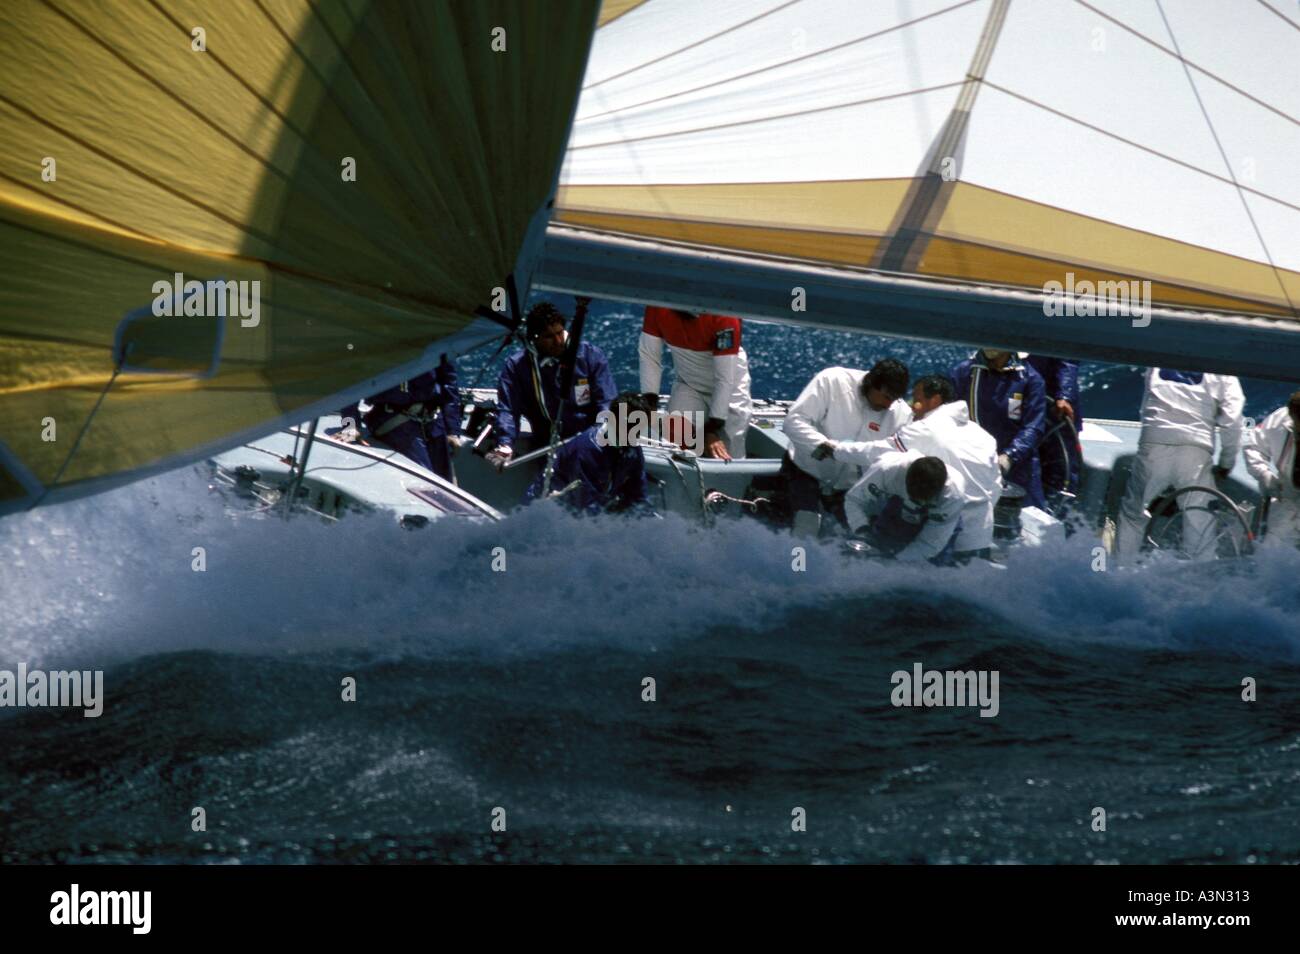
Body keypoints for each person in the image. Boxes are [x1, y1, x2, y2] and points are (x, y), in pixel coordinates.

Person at [837, 374, 1001, 560]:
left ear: (936, 400)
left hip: (944, 530)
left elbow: (874, 452)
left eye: (916, 400)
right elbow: (996, 487)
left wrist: (835, 449)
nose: (912, 407)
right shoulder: (984, 436)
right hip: (977, 538)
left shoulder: (925, 428)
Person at [1116, 367, 1245, 561]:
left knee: (1133, 515)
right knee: (1198, 518)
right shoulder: (1222, 366)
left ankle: (1118, 573)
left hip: (1154, 443)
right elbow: (1232, 420)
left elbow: (1146, 406)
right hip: (1196, 450)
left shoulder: (1158, 361)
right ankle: (1198, 579)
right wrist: (1227, 462)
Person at [780, 359, 911, 534]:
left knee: (859, 536)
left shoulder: (902, 414)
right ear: (871, 382)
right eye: (886, 396)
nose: (888, 405)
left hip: (848, 488)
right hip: (806, 471)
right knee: (806, 525)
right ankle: (798, 562)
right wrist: (823, 446)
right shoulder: (832, 380)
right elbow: (794, 421)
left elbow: (895, 458)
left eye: (894, 399)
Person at [487, 300, 616, 470]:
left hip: (588, 442)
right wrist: (505, 444)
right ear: (535, 338)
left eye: (559, 333)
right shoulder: (517, 367)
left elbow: (606, 401)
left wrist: (599, 434)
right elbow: (509, 410)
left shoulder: (589, 356)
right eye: (549, 336)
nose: (558, 341)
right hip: (545, 446)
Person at [638, 306, 752, 460]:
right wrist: (649, 403)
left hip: (731, 389)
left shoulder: (724, 317)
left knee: (729, 454)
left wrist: (713, 429)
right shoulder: (656, 306)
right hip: (690, 384)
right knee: (673, 436)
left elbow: (724, 379)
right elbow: (649, 357)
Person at [523, 391, 654, 515]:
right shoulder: (587, 451)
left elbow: (639, 497)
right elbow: (585, 508)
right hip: (551, 509)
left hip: (595, 507)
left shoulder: (633, 450)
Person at [337, 353, 462, 480]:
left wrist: (453, 431)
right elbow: (351, 386)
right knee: (424, 480)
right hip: (393, 423)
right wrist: (350, 426)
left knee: (447, 481)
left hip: (434, 422)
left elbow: (450, 386)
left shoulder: (439, 343)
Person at [951, 349, 1047, 508]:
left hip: (1018, 468)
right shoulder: (963, 373)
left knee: (1030, 521)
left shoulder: (1030, 379)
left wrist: (1009, 457)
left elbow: (1033, 427)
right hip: (972, 464)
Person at [843, 451, 965, 562]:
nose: (919, 505)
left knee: (931, 567)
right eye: (915, 499)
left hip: (938, 518)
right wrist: (862, 529)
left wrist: (895, 562)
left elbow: (929, 544)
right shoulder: (886, 469)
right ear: (905, 480)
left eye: (925, 501)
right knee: (874, 552)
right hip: (896, 506)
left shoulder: (953, 495)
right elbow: (854, 500)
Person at [1242, 390, 1300, 549]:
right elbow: (1252, 444)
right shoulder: (1280, 419)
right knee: (1270, 554)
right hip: (1286, 498)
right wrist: (1263, 473)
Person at [1024, 355, 1083, 498]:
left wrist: (1064, 395)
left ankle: (1064, 512)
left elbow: (1068, 358)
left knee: (1062, 468)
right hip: (1025, 399)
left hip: (1053, 406)